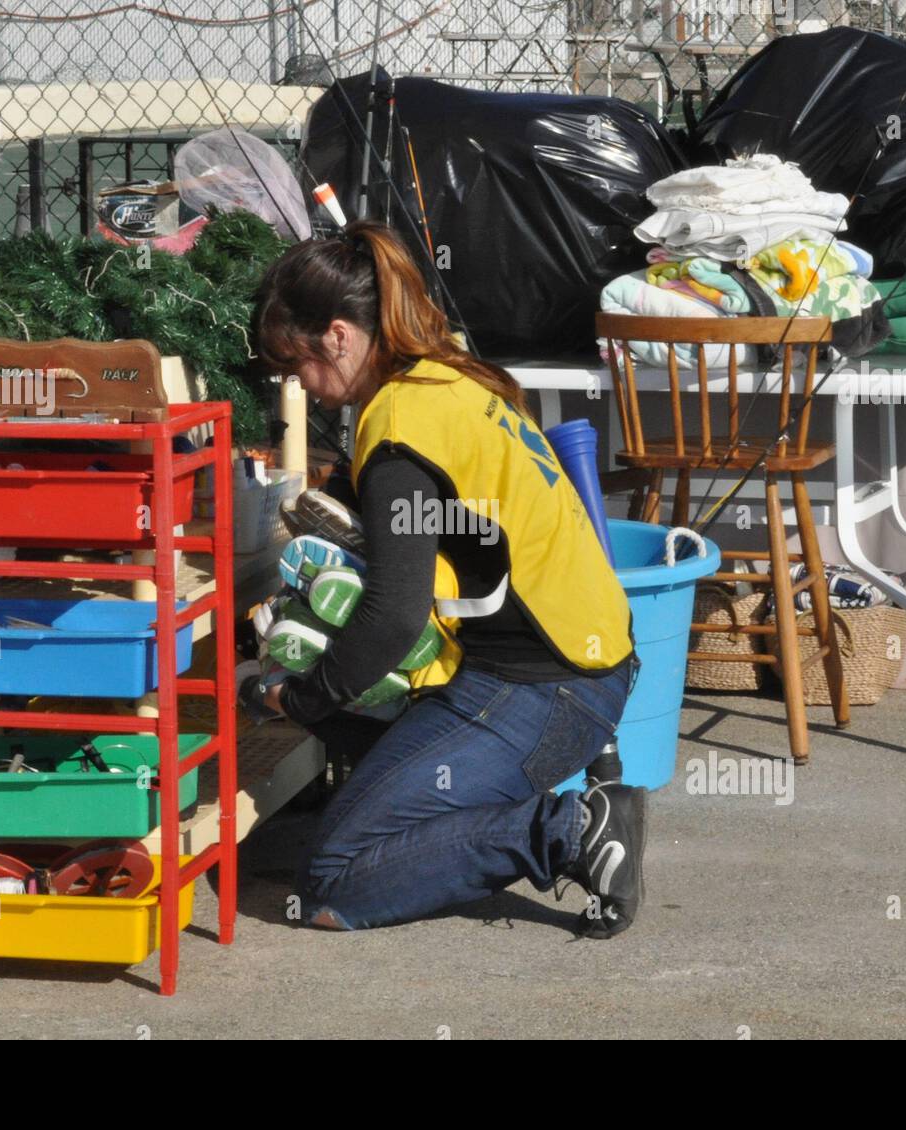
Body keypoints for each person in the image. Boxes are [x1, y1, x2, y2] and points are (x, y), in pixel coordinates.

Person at [251, 219, 647, 938]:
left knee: (332, 881)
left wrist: (297, 695)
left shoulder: (400, 429)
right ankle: (396, 804)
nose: (299, 385)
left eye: (296, 363)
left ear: (338, 335)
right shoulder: (452, 374)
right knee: (352, 702)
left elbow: (392, 618)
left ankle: (571, 831)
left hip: (542, 693)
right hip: (583, 669)